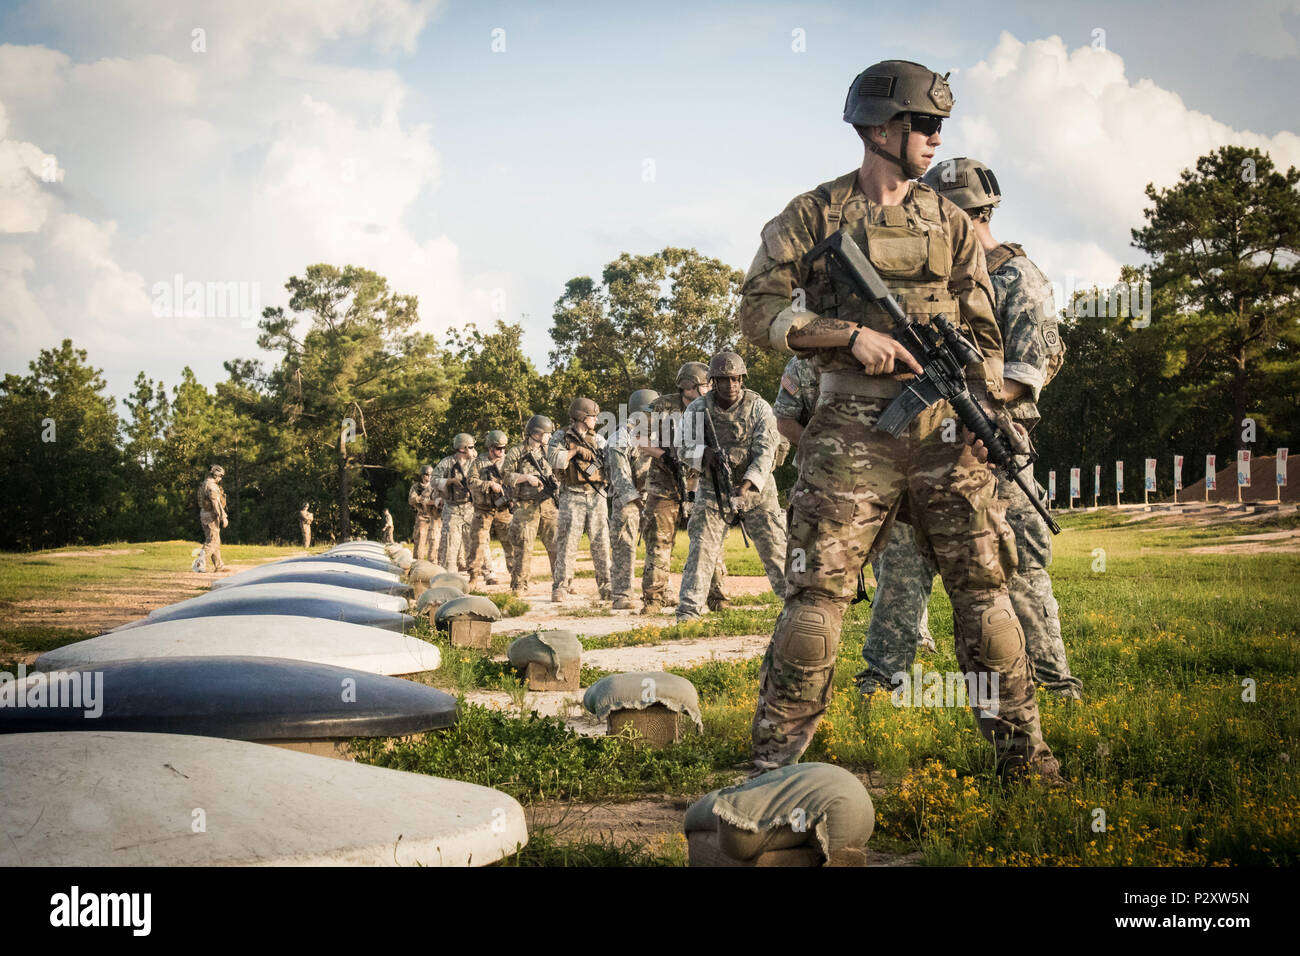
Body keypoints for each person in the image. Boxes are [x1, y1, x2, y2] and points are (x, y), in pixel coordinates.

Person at [737, 60, 1061, 784]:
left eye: (941, 125)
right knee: (818, 597)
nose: (936, 137)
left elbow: (982, 335)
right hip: (851, 428)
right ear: (879, 128)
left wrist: (986, 415)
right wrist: (844, 337)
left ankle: (1025, 758)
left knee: (983, 590)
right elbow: (757, 309)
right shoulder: (814, 214)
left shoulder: (951, 222)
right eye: (924, 124)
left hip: (946, 429)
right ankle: (771, 770)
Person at [858, 156, 1079, 698]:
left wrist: (963, 385)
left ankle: (1052, 682)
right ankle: (883, 675)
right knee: (904, 563)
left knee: (1018, 564)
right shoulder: (938, 274)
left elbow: (1023, 378)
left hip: (994, 440)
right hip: (929, 442)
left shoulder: (1017, 278)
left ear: (969, 213)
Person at [677, 352, 788, 622]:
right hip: (713, 488)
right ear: (713, 381)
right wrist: (704, 455)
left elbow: (766, 451)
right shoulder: (697, 409)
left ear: (742, 379)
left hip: (757, 490)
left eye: (736, 379)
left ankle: (797, 608)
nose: (731, 385)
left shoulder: (759, 407)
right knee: (701, 548)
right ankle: (688, 612)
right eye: (724, 380)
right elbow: (682, 447)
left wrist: (748, 484)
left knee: (776, 549)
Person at [640, 363, 726, 614]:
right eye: (704, 385)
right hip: (664, 484)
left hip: (701, 483)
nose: (709, 389)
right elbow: (636, 435)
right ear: (688, 385)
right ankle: (654, 599)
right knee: (659, 540)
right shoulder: (661, 406)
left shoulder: (713, 405)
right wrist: (662, 454)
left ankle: (718, 597)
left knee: (709, 542)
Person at [548, 397, 613, 603]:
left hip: (595, 496)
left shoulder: (599, 439)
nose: (596, 420)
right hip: (571, 495)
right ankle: (561, 587)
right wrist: (574, 451)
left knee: (601, 542)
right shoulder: (560, 436)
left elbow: (606, 464)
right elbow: (553, 459)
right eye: (592, 416)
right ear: (581, 417)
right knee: (567, 543)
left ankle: (606, 586)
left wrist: (591, 467)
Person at [608, 389, 658, 609]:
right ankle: (621, 594)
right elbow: (620, 475)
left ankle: (659, 590)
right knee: (624, 544)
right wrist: (636, 499)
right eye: (652, 412)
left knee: (659, 544)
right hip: (626, 498)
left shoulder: (658, 434)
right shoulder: (621, 436)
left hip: (653, 495)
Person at [504, 415, 559, 594]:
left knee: (556, 544)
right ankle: (519, 585)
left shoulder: (549, 452)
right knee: (524, 546)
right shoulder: (517, 452)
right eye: (547, 434)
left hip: (548, 504)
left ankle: (561, 584)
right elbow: (505, 476)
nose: (549, 437)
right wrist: (526, 478)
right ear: (536, 433)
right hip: (525, 506)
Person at [466, 429, 518, 589]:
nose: (501, 451)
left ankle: (516, 578)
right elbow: (470, 481)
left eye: (503, 448)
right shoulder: (479, 463)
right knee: (478, 544)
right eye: (498, 448)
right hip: (483, 510)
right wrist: (489, 484)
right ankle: (474, 577)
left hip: (503, 509)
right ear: (490, 448)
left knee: (510, 543)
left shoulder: (509, 462)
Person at [433, 433, 476, 573]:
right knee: (451, 543)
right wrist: (450, 481)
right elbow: (433, 480)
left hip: (470, 507)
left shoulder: (475, 462)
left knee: (474, 541)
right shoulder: (447, 463)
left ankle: (476, 573)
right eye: (470, 447)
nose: (473, 450)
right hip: (452, 509)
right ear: (462, 449)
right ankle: (449, 573)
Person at [196, 464, 228, 572]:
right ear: (216, 475)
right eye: (220, 476)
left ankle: (219, 566)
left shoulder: (205, 483)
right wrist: (223, 517)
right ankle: (199, 565)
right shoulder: (212, 487)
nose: (220, 479)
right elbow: (216, 503)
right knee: (211, 542)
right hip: (211, 516)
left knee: (215, 541)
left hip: (204, 514)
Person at [408, 465, 436, 559]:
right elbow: (411, 500)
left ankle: (434, 563)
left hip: (435, 517)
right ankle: (417, 563)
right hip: (422, 516)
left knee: (435, 541)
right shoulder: (416, 487)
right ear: (422, 475)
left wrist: (431, 501)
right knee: (420, 540)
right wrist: (420, 498)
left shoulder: (435, 486)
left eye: (431, 475)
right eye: (426, 474)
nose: (429, 477)